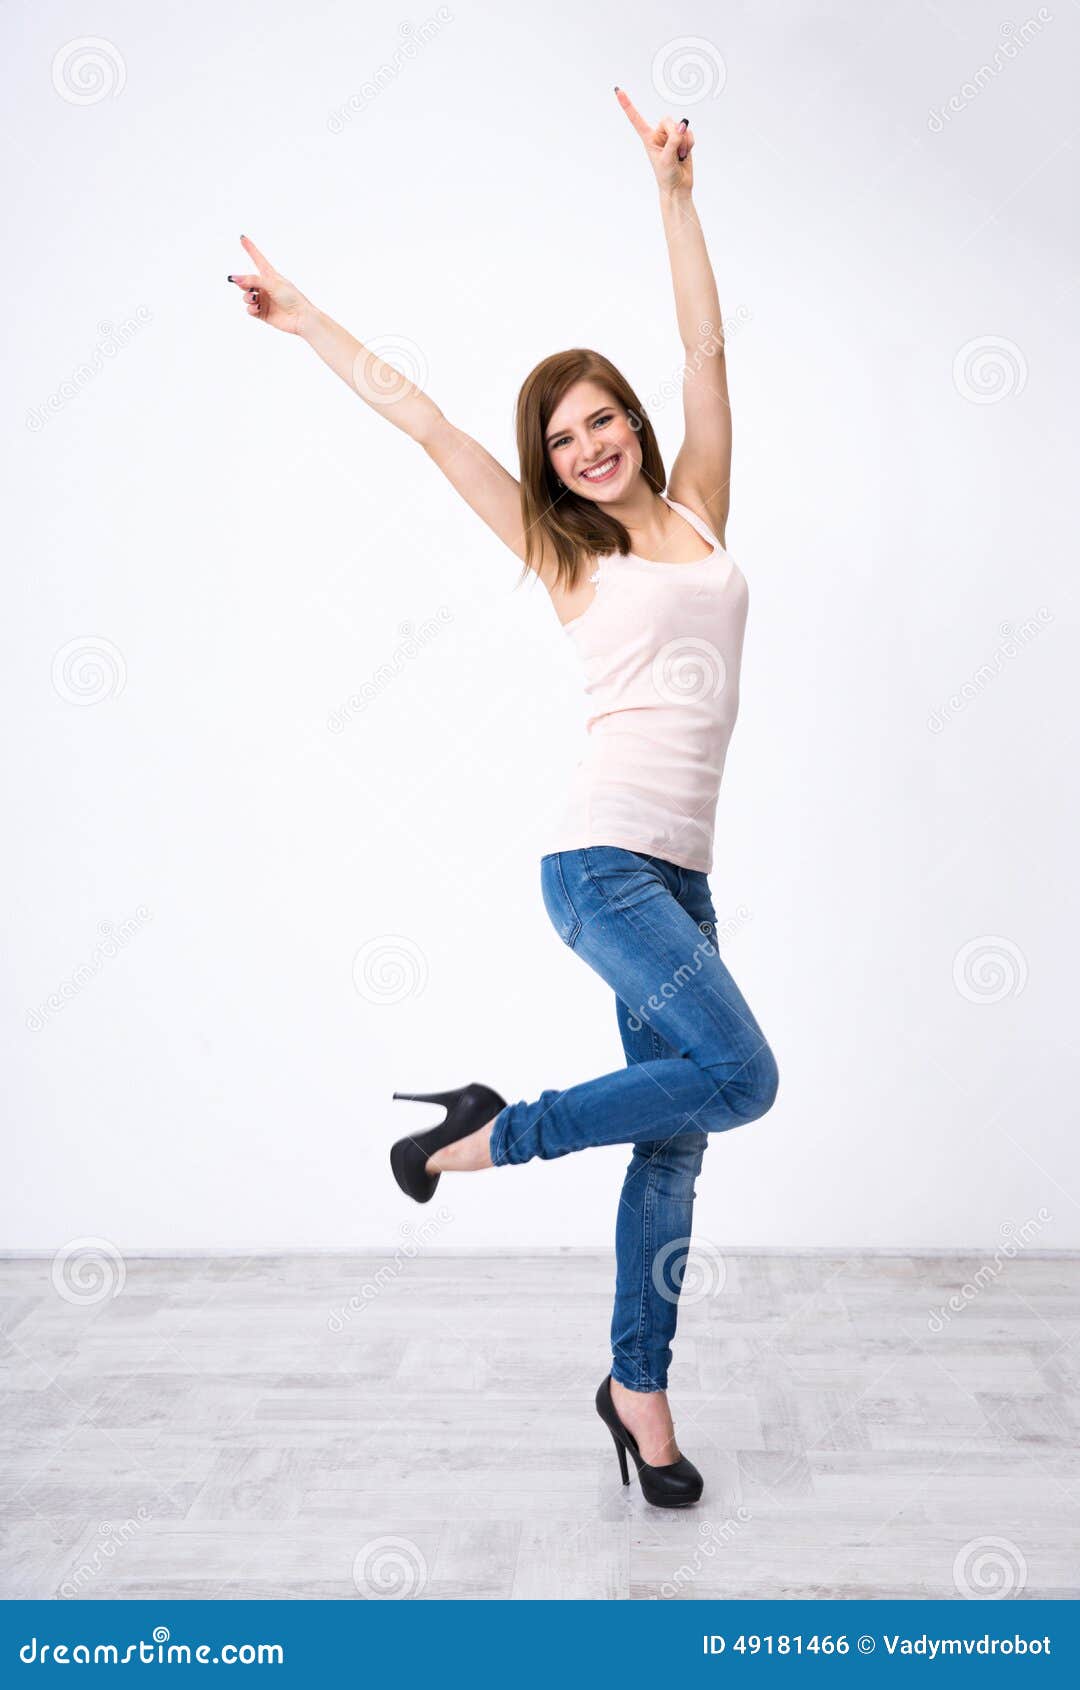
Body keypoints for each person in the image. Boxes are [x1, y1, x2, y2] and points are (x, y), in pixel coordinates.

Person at [228, 89, 779, 1508]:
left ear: (633, 425)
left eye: (600, 421)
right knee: (745, 1075)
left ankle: (636, 1390)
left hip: (685, 877)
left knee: (679, 1136)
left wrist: (672, 198)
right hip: (598, 866)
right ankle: (485, 1131)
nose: (586, 447)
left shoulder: (704, 508)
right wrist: (305, 319)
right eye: (561, 439)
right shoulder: (563, 553)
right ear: (548, 467)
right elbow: (424, 426)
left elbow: (707, 345)